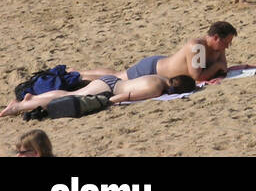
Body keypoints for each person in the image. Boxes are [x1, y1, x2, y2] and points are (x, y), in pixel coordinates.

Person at [74, 22, 238, 84]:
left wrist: (218, 66)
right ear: (215, 37)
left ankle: (79, 73)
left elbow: (223, 67)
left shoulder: (217, 48)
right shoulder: (197, 47)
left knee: (118, 74)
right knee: (116, 78)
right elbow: (198, 76)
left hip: (164, 65)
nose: (227, 47)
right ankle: (77, 74)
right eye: (226, 42)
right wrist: (216, 66)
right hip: (153, 69)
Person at [1, 73, 197, 117]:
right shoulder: (155, 89)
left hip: (110, 80)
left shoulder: (160, 77)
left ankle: (32, 100)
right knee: (71, 97)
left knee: (72, 92)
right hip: (110, 88)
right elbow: (125, 97)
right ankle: (19, 106)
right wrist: (110, 103)